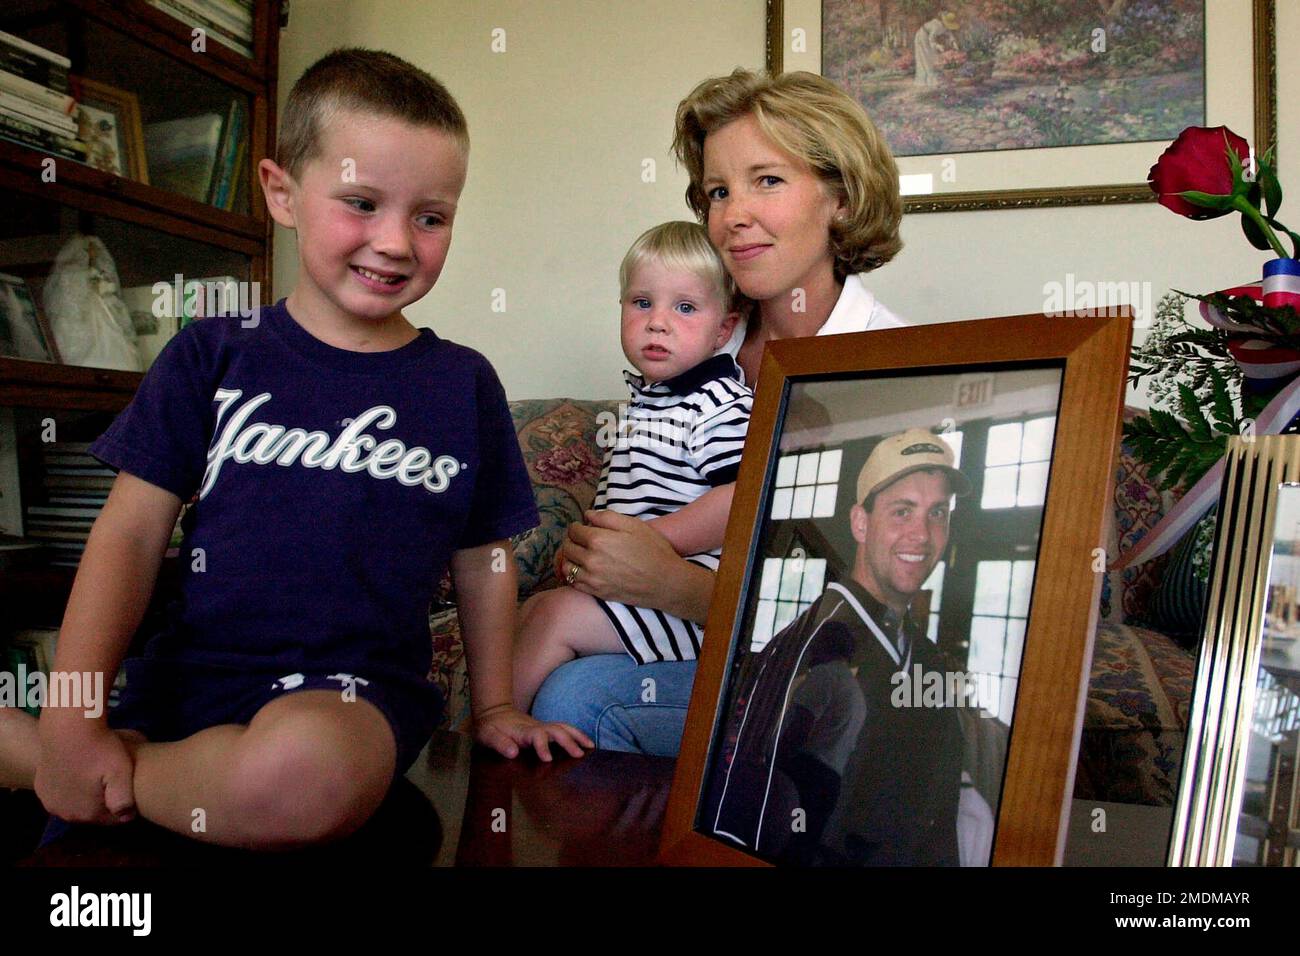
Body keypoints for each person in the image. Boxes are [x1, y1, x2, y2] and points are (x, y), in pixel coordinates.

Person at [0, 48, 589, 850]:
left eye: (430, 216)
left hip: (348, 701)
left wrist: (492, 707)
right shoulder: (212, 353)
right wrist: (73, 716)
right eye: (360, 202)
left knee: (309, 777)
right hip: (190, 681)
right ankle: (71, 756)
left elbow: (484, 558)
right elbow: (129, 538)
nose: (395, 241)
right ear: (282, 193)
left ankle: (62, 765)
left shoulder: (462, 382)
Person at [532, 68, 904, 755]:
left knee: (574, 697)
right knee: (559, 675)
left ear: (842, 199)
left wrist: (672, 583)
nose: (733, 215)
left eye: (767, 180)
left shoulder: (895, 372)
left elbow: (870, 625)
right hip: (686, 640)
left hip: (818, 672)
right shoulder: (696, 337)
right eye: (718, 191)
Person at [511, 222, 751, 711]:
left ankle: (487, 740)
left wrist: (652, 542)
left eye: (685, 308)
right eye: (642, 303)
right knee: (533, 609)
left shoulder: (721, 403)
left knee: (552, 618)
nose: (658, 322)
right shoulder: (646, 406)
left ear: (723, 328)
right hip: (632, 588)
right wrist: (586, 554)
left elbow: (740, 497)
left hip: (690, 608)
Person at [707, 428, 972, 865]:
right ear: (860, 522)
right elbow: (750, 813)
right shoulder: (807, 651)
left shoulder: (922, 655)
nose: (922, 534)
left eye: (938, 512)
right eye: (902, 511)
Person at [914, 11, 961, 89]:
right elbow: (931, 39)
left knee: (933, 58)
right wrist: (937, 46)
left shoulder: (945, 26)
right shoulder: (937, 26)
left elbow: (949, 34)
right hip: (922, 37)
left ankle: (933, 79)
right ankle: (928, 81)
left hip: (927, 38)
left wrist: (954, 42)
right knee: (926, 58)